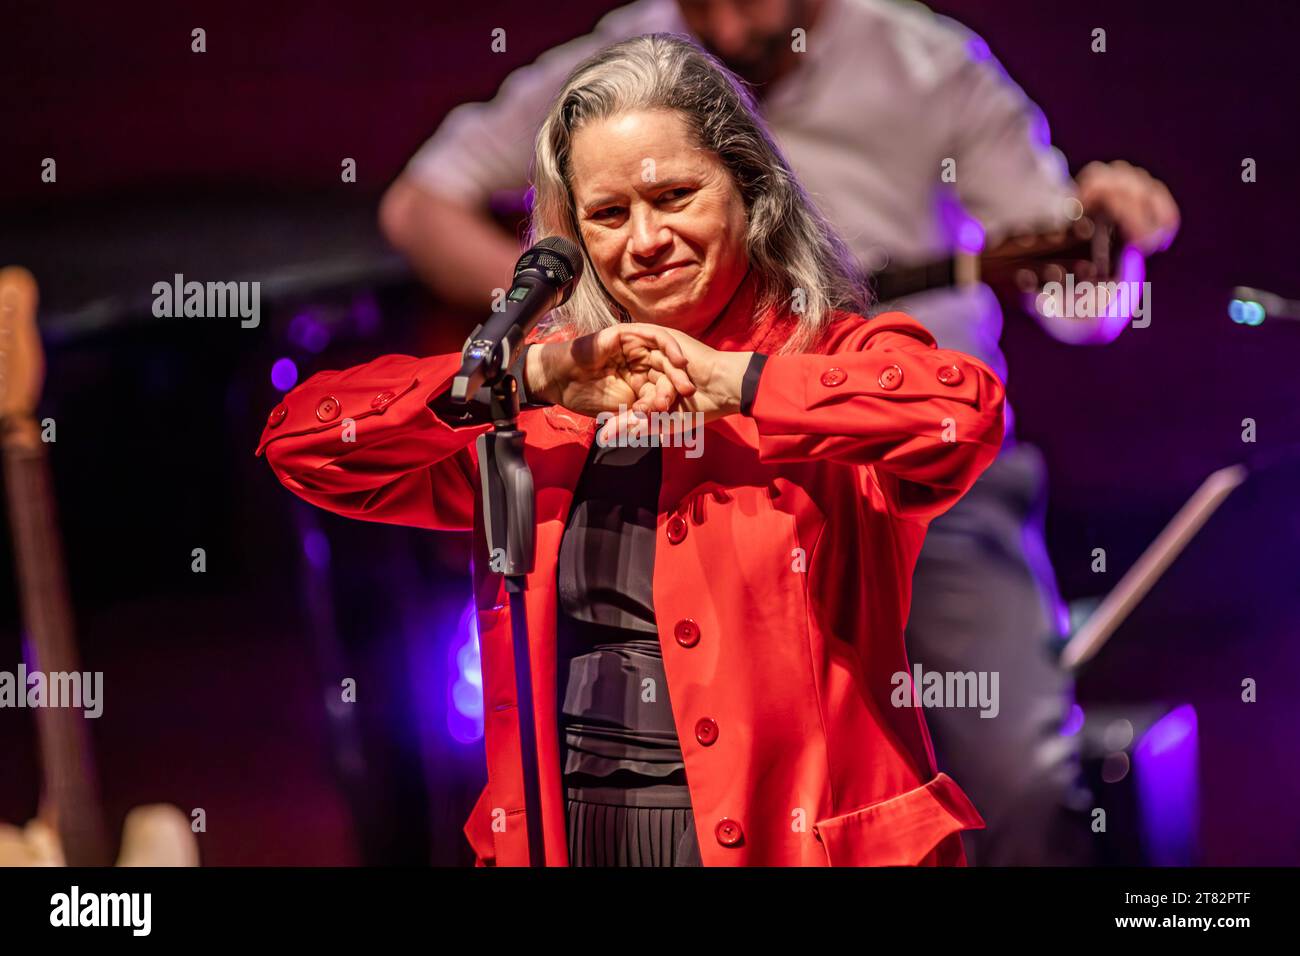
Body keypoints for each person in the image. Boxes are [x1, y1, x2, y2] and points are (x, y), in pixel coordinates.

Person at [378, 0, 1180, 864]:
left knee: (1014, 771)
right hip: (695, 457)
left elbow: (1081, 305)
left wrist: (1114, 249)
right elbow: (418, 204)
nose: (724, 28)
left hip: (904, 448)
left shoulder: (929, 65)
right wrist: (576, 320)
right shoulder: (622, 59)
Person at [259, 33, 1006, 866]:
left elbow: (964, 412)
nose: (645, 240)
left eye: (676, 197)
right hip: (577, 839)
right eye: (609, 216)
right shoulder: (545, 404)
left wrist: (744, 384)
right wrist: (534, 373)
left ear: (750, 192)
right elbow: (307, 443)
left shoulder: (826, 355)